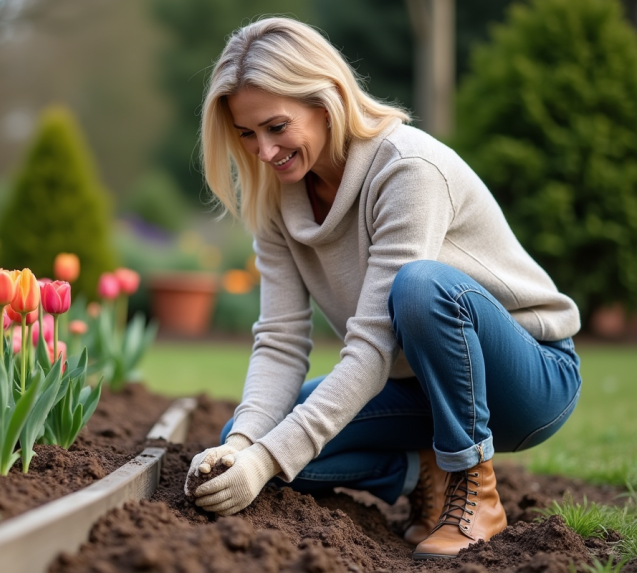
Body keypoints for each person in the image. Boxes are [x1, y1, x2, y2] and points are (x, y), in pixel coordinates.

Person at [185, 17, 582, 560]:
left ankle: (475, 488)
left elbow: (372, 346)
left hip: (526, 379)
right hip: (418, 390)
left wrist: (268, 455)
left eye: (277, 126)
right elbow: (279, 340)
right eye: (247, 134)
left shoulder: (407, 170)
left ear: (326, 101)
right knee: (249, 444)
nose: (264, 151)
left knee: (421, 288)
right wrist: (244, 449)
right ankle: (421, 469)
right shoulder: (278, 199)